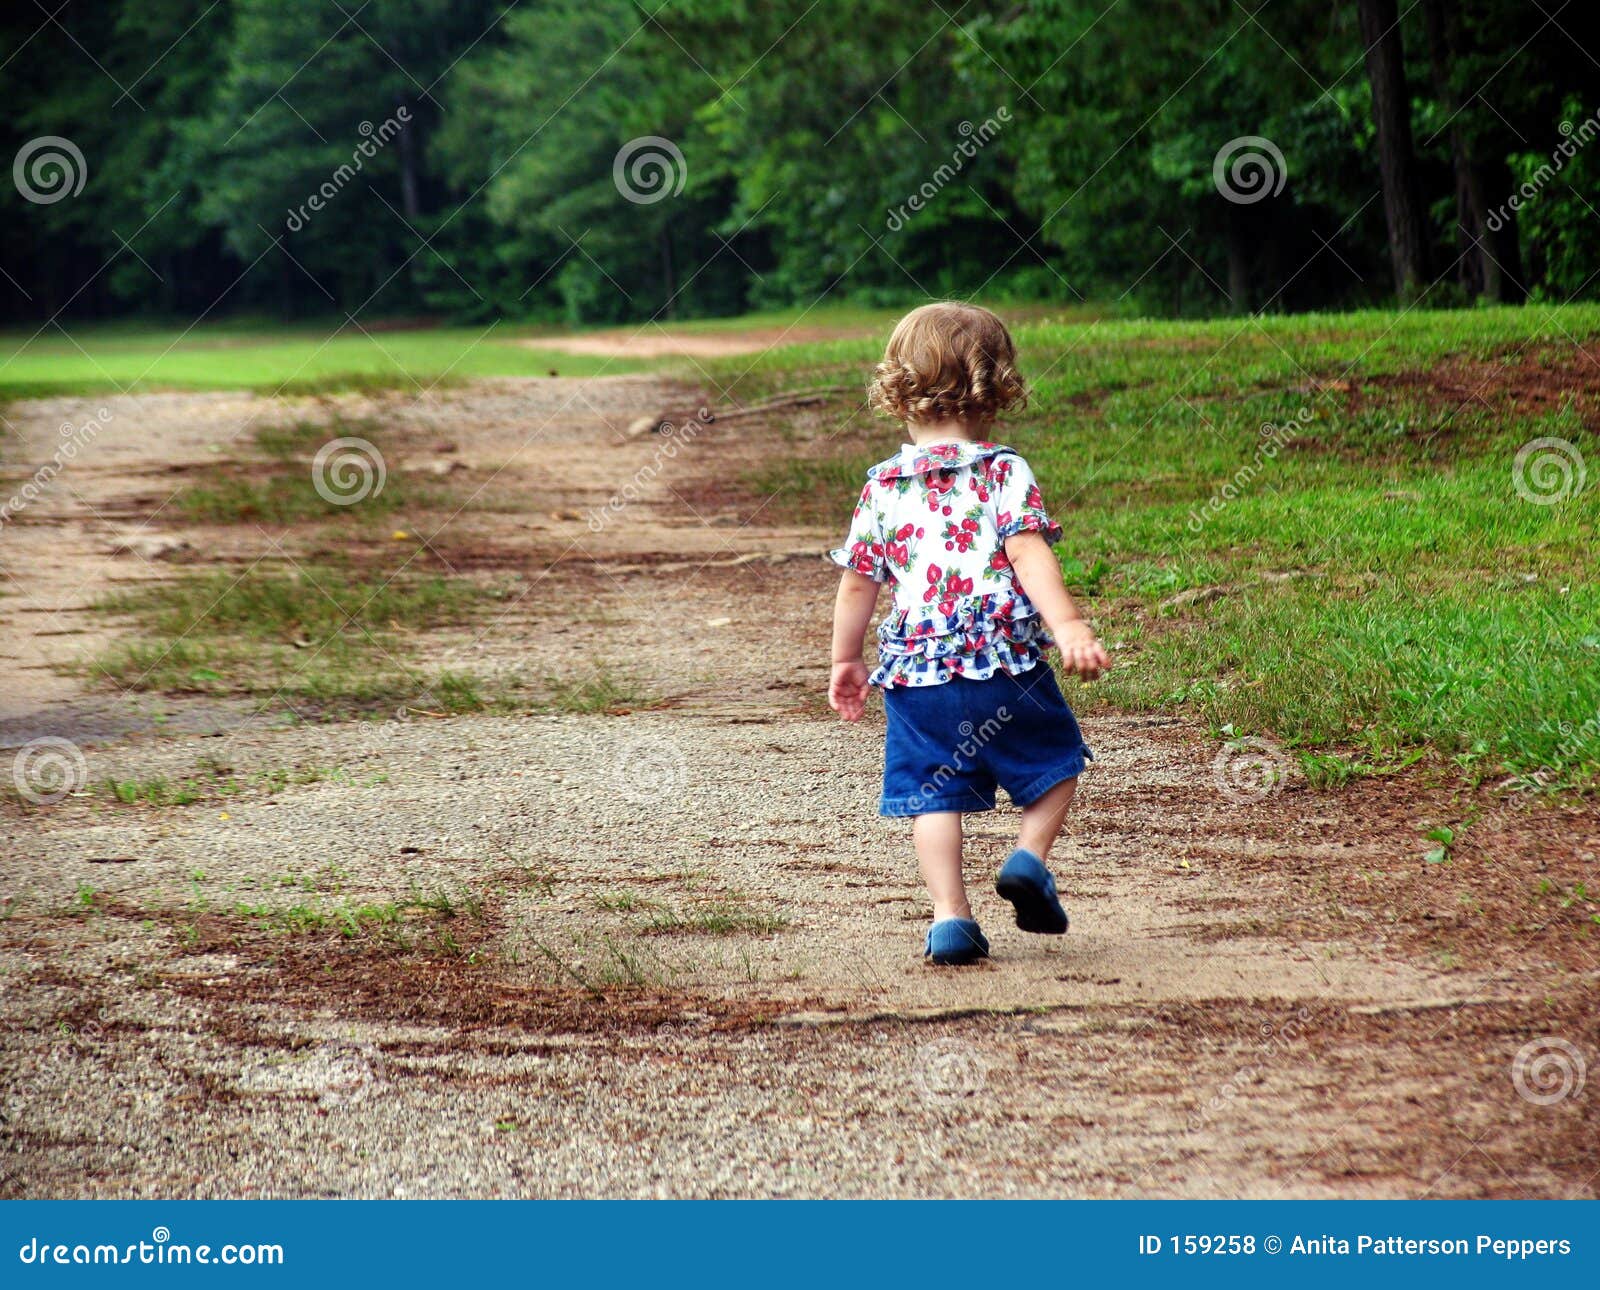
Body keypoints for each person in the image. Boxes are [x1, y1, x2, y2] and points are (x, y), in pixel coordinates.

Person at [828, 302, 1110, 965]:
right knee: (1058, 760)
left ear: (898, 386)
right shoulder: (1003, 472)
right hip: (1002, 663)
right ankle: (1027, 859)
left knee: (933, 793)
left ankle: (950, 918)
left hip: (917, 674)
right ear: (997, 385)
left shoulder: (882, 486)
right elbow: (1028, 554)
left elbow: (857, 583)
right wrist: (1067, 625)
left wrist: (846, 659)